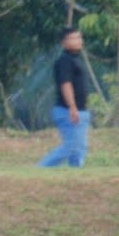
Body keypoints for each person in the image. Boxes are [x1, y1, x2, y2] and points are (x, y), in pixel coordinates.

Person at [38, 27, 90, 167]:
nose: (78, 41)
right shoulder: (64, 61)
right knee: (72, 146)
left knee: (79, 149)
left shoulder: (76, 60)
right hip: (68, 111)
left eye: (79, 37)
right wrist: (72, 107)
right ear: (64, 43)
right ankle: (41, 169)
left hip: (80, 110)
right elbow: (65, 84)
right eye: (73, 38)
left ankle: (75, 174)